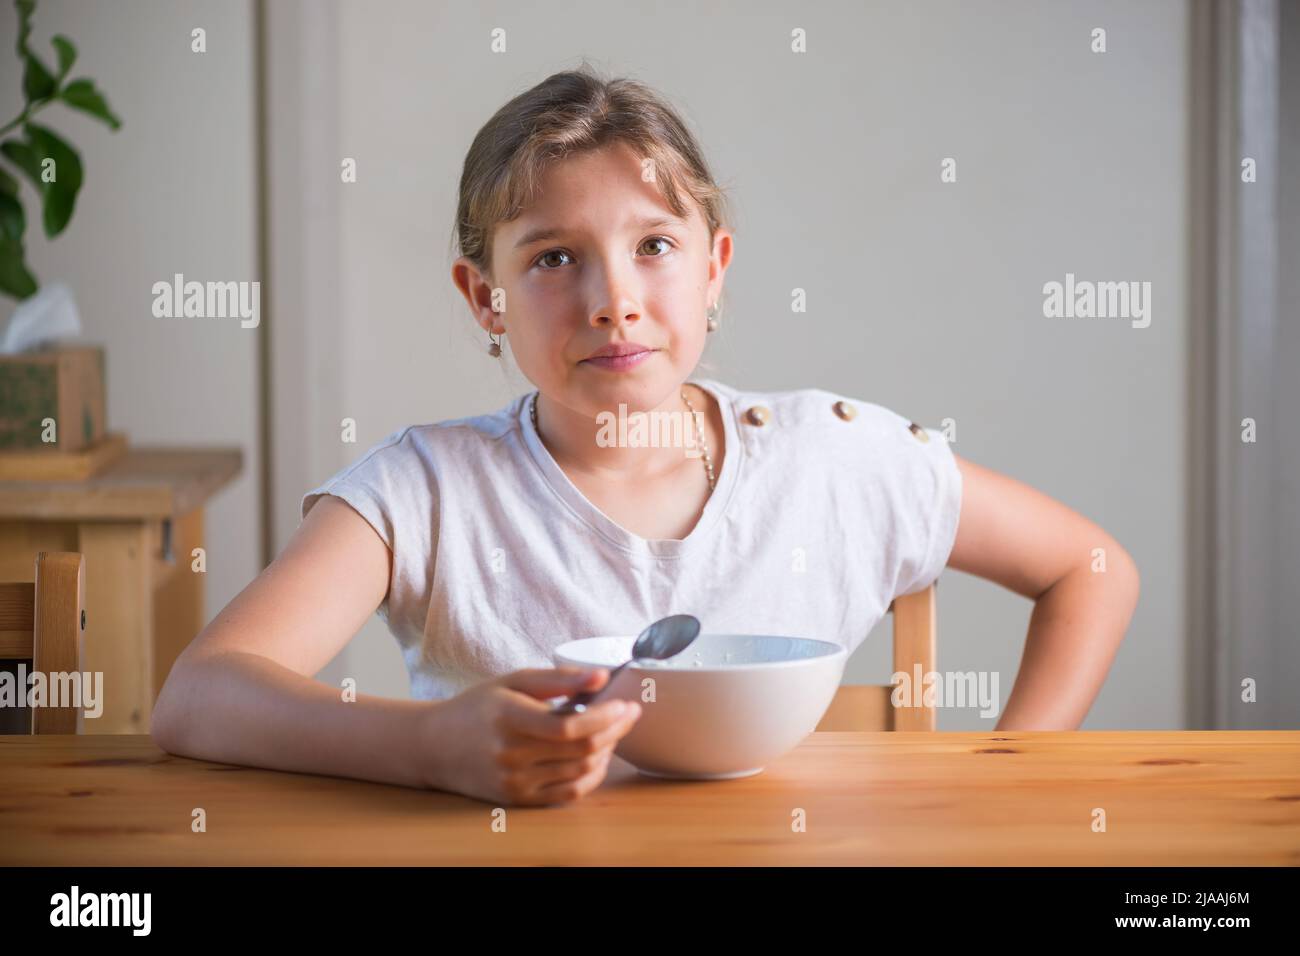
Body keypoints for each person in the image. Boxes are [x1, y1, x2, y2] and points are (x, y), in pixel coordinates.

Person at [152, 66, 1140, 807]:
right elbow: (198, 697)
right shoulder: (427, 488)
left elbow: (1091, 568)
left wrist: (1010, 784)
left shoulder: (834, 460)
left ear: (714, 269)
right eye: (552, 258)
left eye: (653, 247)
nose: (612, 301)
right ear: (483, 296)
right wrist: (434, 745)